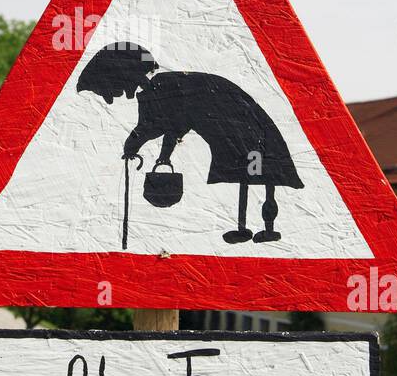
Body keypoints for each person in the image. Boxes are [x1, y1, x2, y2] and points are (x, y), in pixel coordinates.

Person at [77, 42, 304, 243]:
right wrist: (164, 155)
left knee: (262, 177)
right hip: (231, 128)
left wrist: (132, 144)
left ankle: (268, 229)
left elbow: (155, 125)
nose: (110, 95)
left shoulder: (160, 87)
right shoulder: (159, 88)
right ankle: (243, 229)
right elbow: (175, 124)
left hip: (243, 126)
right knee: (245, 174)